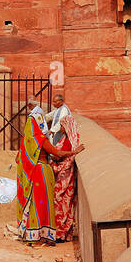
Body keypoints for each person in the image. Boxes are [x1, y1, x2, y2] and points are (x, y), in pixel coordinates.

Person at [9, 104, 75, 245]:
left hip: (32, 174)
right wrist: (74, 152)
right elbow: (56, 153)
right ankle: (44, 236)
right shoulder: (40, 139)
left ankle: (32, 235)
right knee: (44, 204)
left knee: (34, 204)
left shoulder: (26, 141)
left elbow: (17, 159)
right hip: (42, 173)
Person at [45, 94, 84, 241]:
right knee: (63, 206)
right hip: (63, 176)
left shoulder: (68, 142)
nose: (60, 127)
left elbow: (64, 158)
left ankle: (61, 234)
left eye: (61, 125)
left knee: (61, 204)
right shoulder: (65, 139)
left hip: (64, 178)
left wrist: (55, 161)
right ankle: (63, 234)